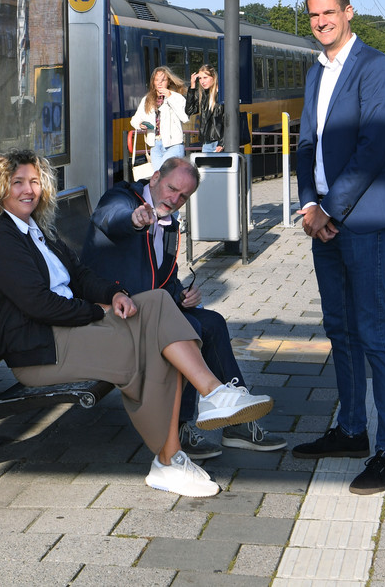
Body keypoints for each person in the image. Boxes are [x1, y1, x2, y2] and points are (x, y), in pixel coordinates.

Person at [0, 149, 272, 497]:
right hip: (41, 350)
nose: (29, 190)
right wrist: (98, 311)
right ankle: (172, 456)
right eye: (18, 182)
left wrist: (113, 294)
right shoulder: (0, 236)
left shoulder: (34, 229)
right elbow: (39, 304)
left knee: (159, 305)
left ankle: (210, 400)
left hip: (67, 333)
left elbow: (81, 275)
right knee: (159, 342)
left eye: (34, 182)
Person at [85, 156, 287, 461]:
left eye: (183, 196)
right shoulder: (122, 198)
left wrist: (181, 296)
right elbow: (111, 218)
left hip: (150, 308)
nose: (174, 199)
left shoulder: (169, 222)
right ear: (155, 178)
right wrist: (135, 220)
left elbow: (162, 276)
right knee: (189, 329)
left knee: (212, 322)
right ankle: (180, 427)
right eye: (171, 189)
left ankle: (238, 423)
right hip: (116, 311)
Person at [293, 0, 385, 496]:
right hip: (323, 219)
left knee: (373, 331)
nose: (321, 22)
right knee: (339, 328)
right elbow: (305, 144)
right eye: (314, 15)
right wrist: (308, 204)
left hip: (360, 221)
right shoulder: (316, 72)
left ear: (348, 12)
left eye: (329, 13)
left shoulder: (375, 67)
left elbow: (373, 147)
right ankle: (351, 430)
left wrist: (329, 209)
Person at [130, 66, 189, 168]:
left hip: (173, 145)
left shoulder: (177, 97)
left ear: (169, 81)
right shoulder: (147, 99)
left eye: (163, 80)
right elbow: (134, 120)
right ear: (153, 82)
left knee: (166, 172)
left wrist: (170, 97)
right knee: (158, 175)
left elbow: (185, 118)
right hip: (155, 145)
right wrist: (140, 125)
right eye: (157, 80)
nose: (159, 83)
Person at [186, 65, 224, 153]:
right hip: (207, 142)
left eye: (205, 78)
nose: (202, 81)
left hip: (218, 142)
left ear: (213, 77)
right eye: (200, 78)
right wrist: (192, 87)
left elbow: (228, 120)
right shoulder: (204, 96)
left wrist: (222, 143)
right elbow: (189, 110)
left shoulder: (221, 95)